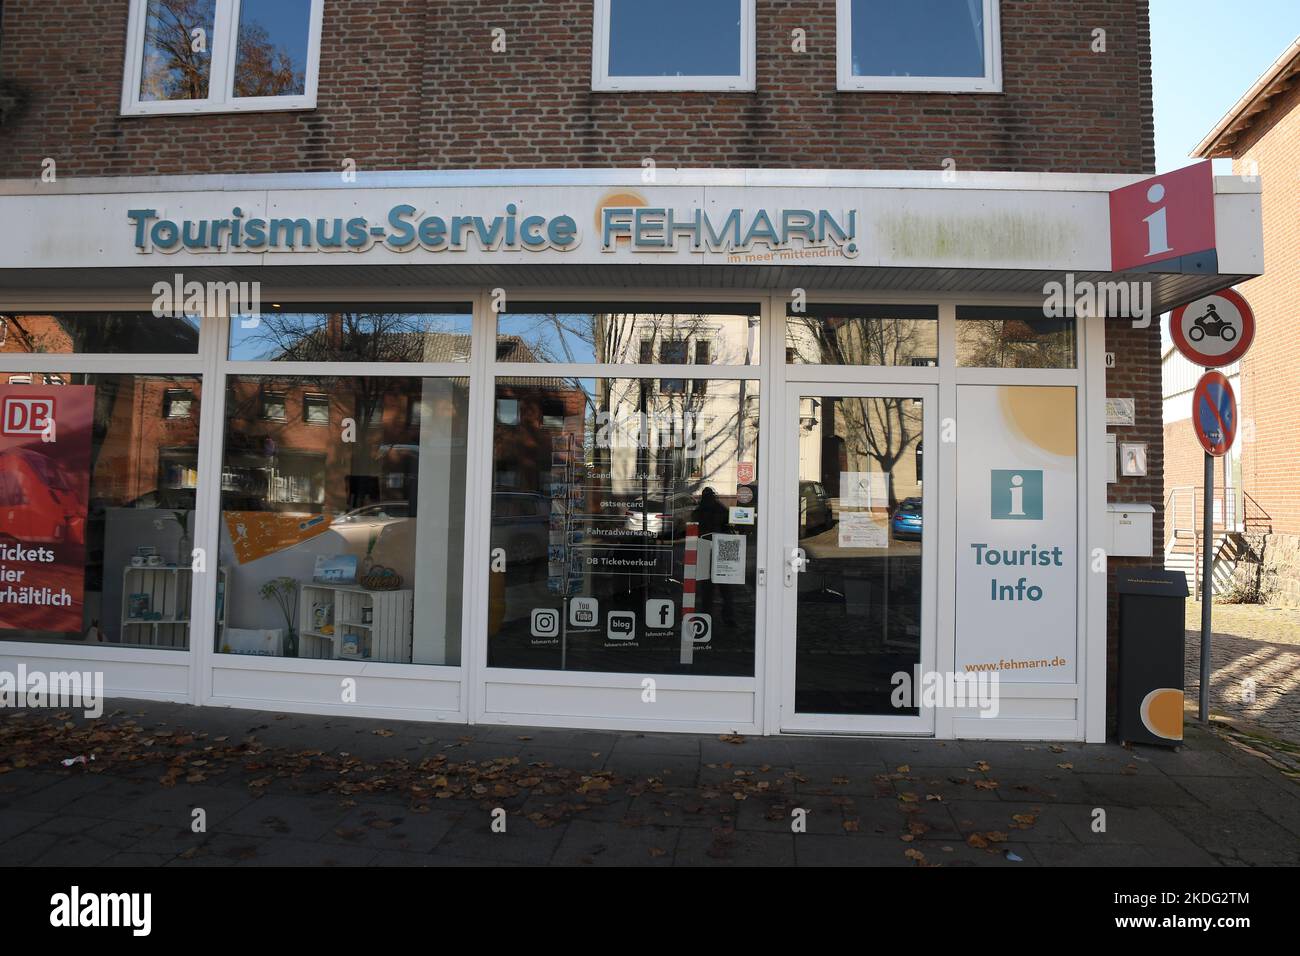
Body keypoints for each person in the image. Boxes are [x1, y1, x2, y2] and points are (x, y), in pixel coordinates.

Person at [692, 488, 737, 626]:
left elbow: (694, 525)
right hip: (721, 549)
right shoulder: (721, 509)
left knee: (706, 589)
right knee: (725, 589)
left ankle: (706, 616)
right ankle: (728, 617)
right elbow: (729, 525)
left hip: (705, 549)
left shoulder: (699, 511)